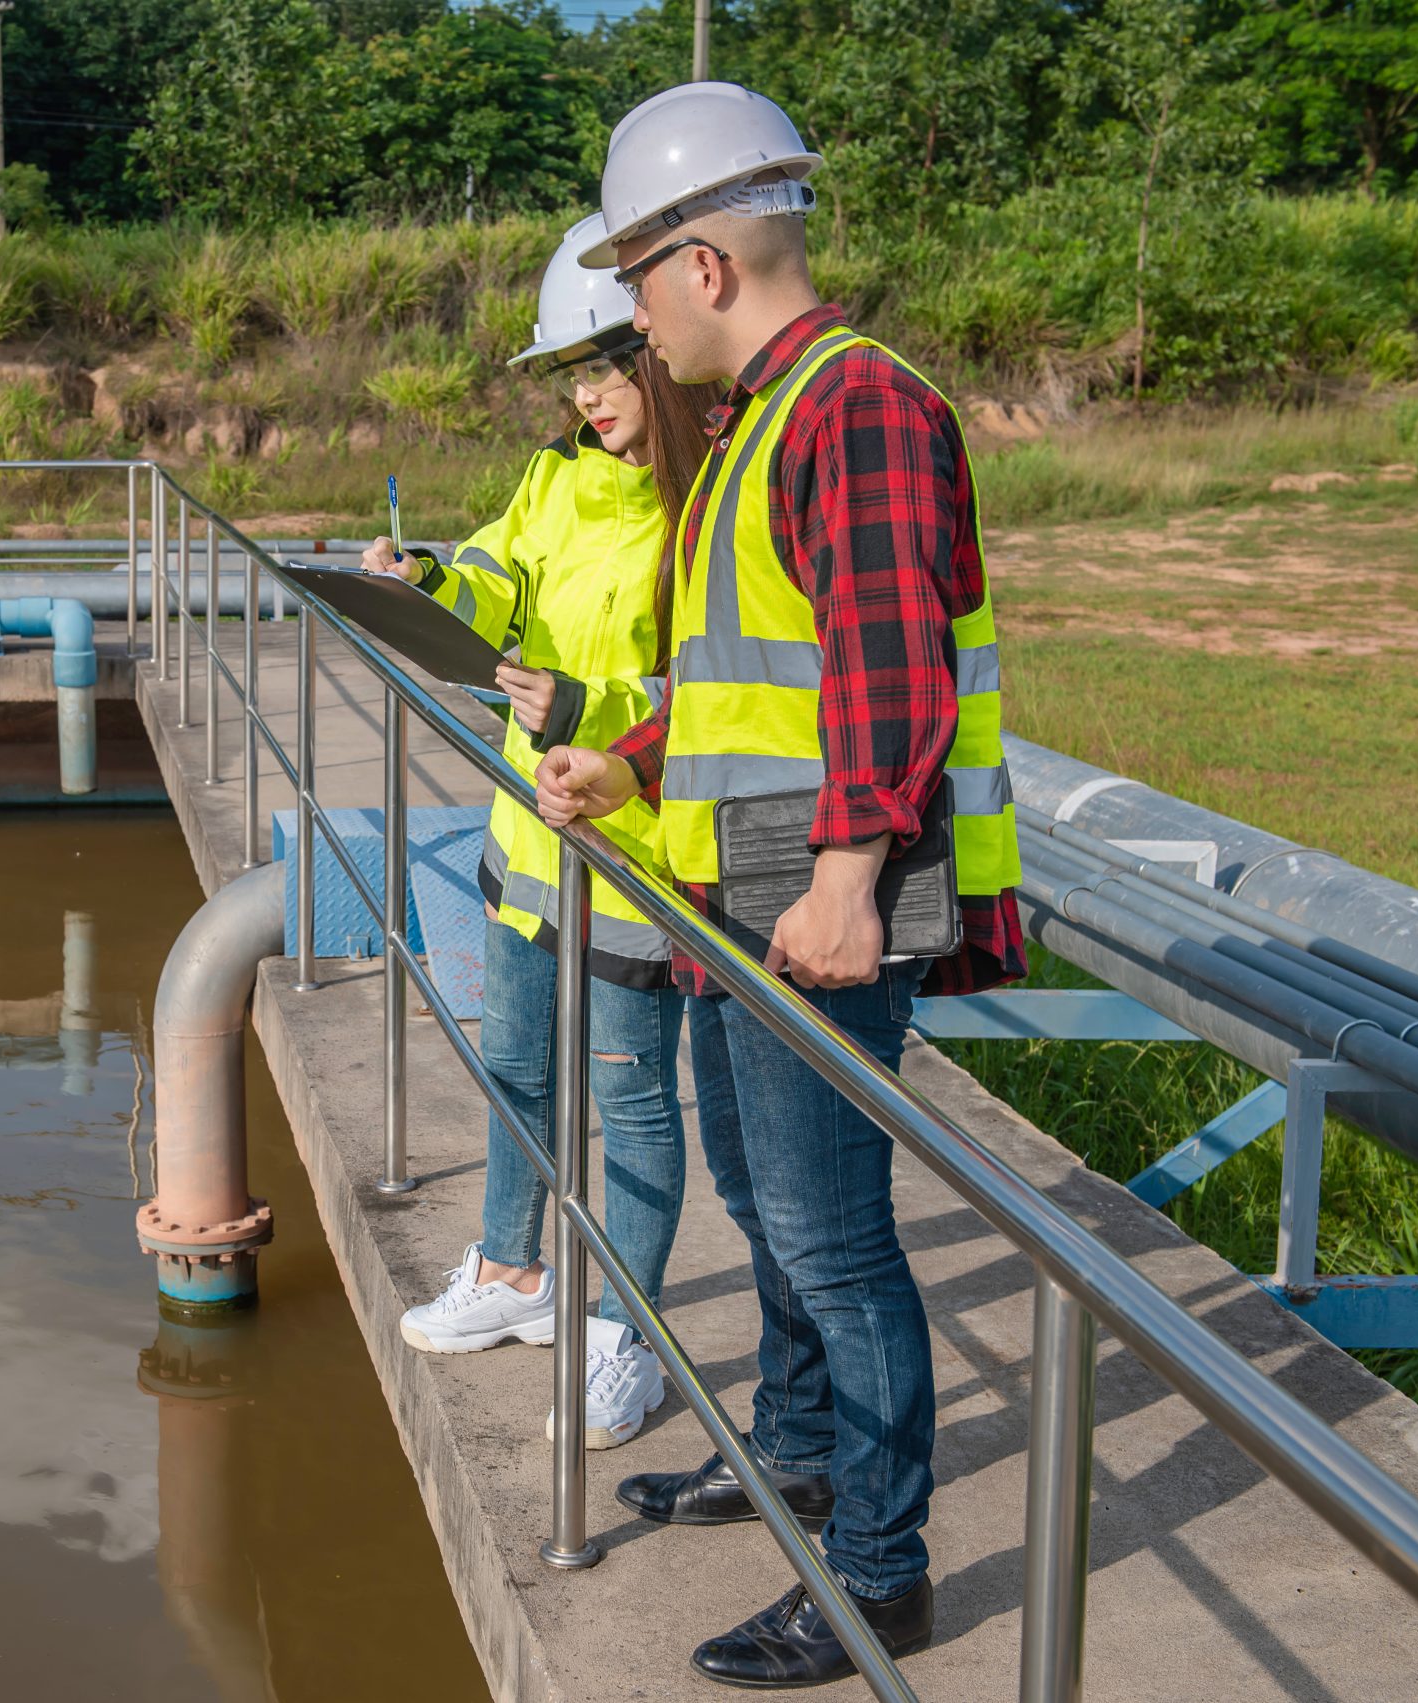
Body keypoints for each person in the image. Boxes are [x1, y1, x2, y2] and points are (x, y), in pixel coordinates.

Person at [535, 82, 1025, 1688]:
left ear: (704, 264)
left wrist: (850, 872)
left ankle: (876, 1573)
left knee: (831, 1234)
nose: (632, 320)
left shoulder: (854, 406)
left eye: (634, 279)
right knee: (765, 1198)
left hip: (809, 897)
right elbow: (756, 673)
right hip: (738, 884)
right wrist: (636, 762)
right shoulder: (766, 419)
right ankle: (797, 1458)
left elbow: (889, 660)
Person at [372, 211, 718, 1452]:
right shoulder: (553, 477)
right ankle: (513, 1272)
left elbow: (710, 692)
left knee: (631, 1100)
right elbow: (496, 578)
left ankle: (626, 1333)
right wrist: (427, 582)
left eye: (606, 366)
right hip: (525, 835)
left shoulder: (707, 504)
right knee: (516, 1064)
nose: (587, 395)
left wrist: (586, 706)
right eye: (570, 373)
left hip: (632, 854)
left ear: (660, 353)